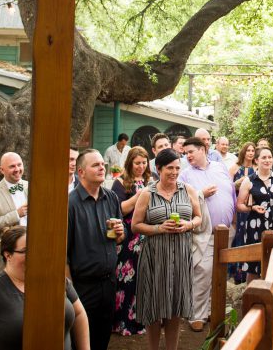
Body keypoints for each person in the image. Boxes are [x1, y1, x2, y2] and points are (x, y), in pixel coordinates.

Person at [0, 226, 89, 350]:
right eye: (26, 251)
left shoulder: (55, 278)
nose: (34, 255)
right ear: (8, 255)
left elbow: (79, 313)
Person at [131, 148, 203, 350]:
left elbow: (199, 217)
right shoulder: (147, 194)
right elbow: (135, 225)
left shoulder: (188, 190)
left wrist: (189, 225)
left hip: (180, 256)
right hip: (155, 258)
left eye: (177, 168)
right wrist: (159, 228)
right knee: (154, 309)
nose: (174, 172)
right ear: (159, 168)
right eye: (170, 168)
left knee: (175, 309)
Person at [67, 148, 125, 350]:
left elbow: (119, 239)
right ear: (81, 172)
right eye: (95, 165)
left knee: (102, 339)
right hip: (82, 286)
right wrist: (69, 292)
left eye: (102, 164)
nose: (102, 167)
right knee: (81, 343)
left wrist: (120, 232)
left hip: (108, 283)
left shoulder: (111, 198)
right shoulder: (70, 204)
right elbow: (63, 255)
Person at [179, 136, 236, 332]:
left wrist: (234, 218)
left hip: (226, 231)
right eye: (185, 153)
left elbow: (231, 192)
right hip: (204, 232)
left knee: (220, 273)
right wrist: (201, 193)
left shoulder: (220, 167)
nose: (187, 156)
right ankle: (197, 314)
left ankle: (214, 309)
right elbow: (180, 200)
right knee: (202, 271)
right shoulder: (185, 175)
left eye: (190, 152)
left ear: (203, 150)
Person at [111, 146, 151, 336]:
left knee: (144, 278)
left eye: (144, 163)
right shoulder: (120, 182)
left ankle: (141, 320)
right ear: (129, 163)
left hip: (147, 235)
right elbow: (119, 209)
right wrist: (139, 196)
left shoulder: (152, 180)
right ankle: (122, 322)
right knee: (126, 278)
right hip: (128, 236)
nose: (141, 167)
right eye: (137, 163)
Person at [236, 146, 273, 280]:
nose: (267, 160)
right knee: (254, 265)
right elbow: (239, 205)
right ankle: (253, 292)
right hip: (255, 225)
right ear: (256, 160)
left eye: (270, 157)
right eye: (264, 157)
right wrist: (252, 208)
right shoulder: (249, 180)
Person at [228, 141, 256, 283]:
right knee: (239, 234)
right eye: (248, 150)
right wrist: (236, 184)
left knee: (251, 234)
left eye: (253, 150)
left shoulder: (257, 168)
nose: (250, 153)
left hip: (253, 206)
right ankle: (237, 271)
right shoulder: (235, 168)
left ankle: (250, 270)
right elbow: (227, 187)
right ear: (243, 152)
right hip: (238, 207)